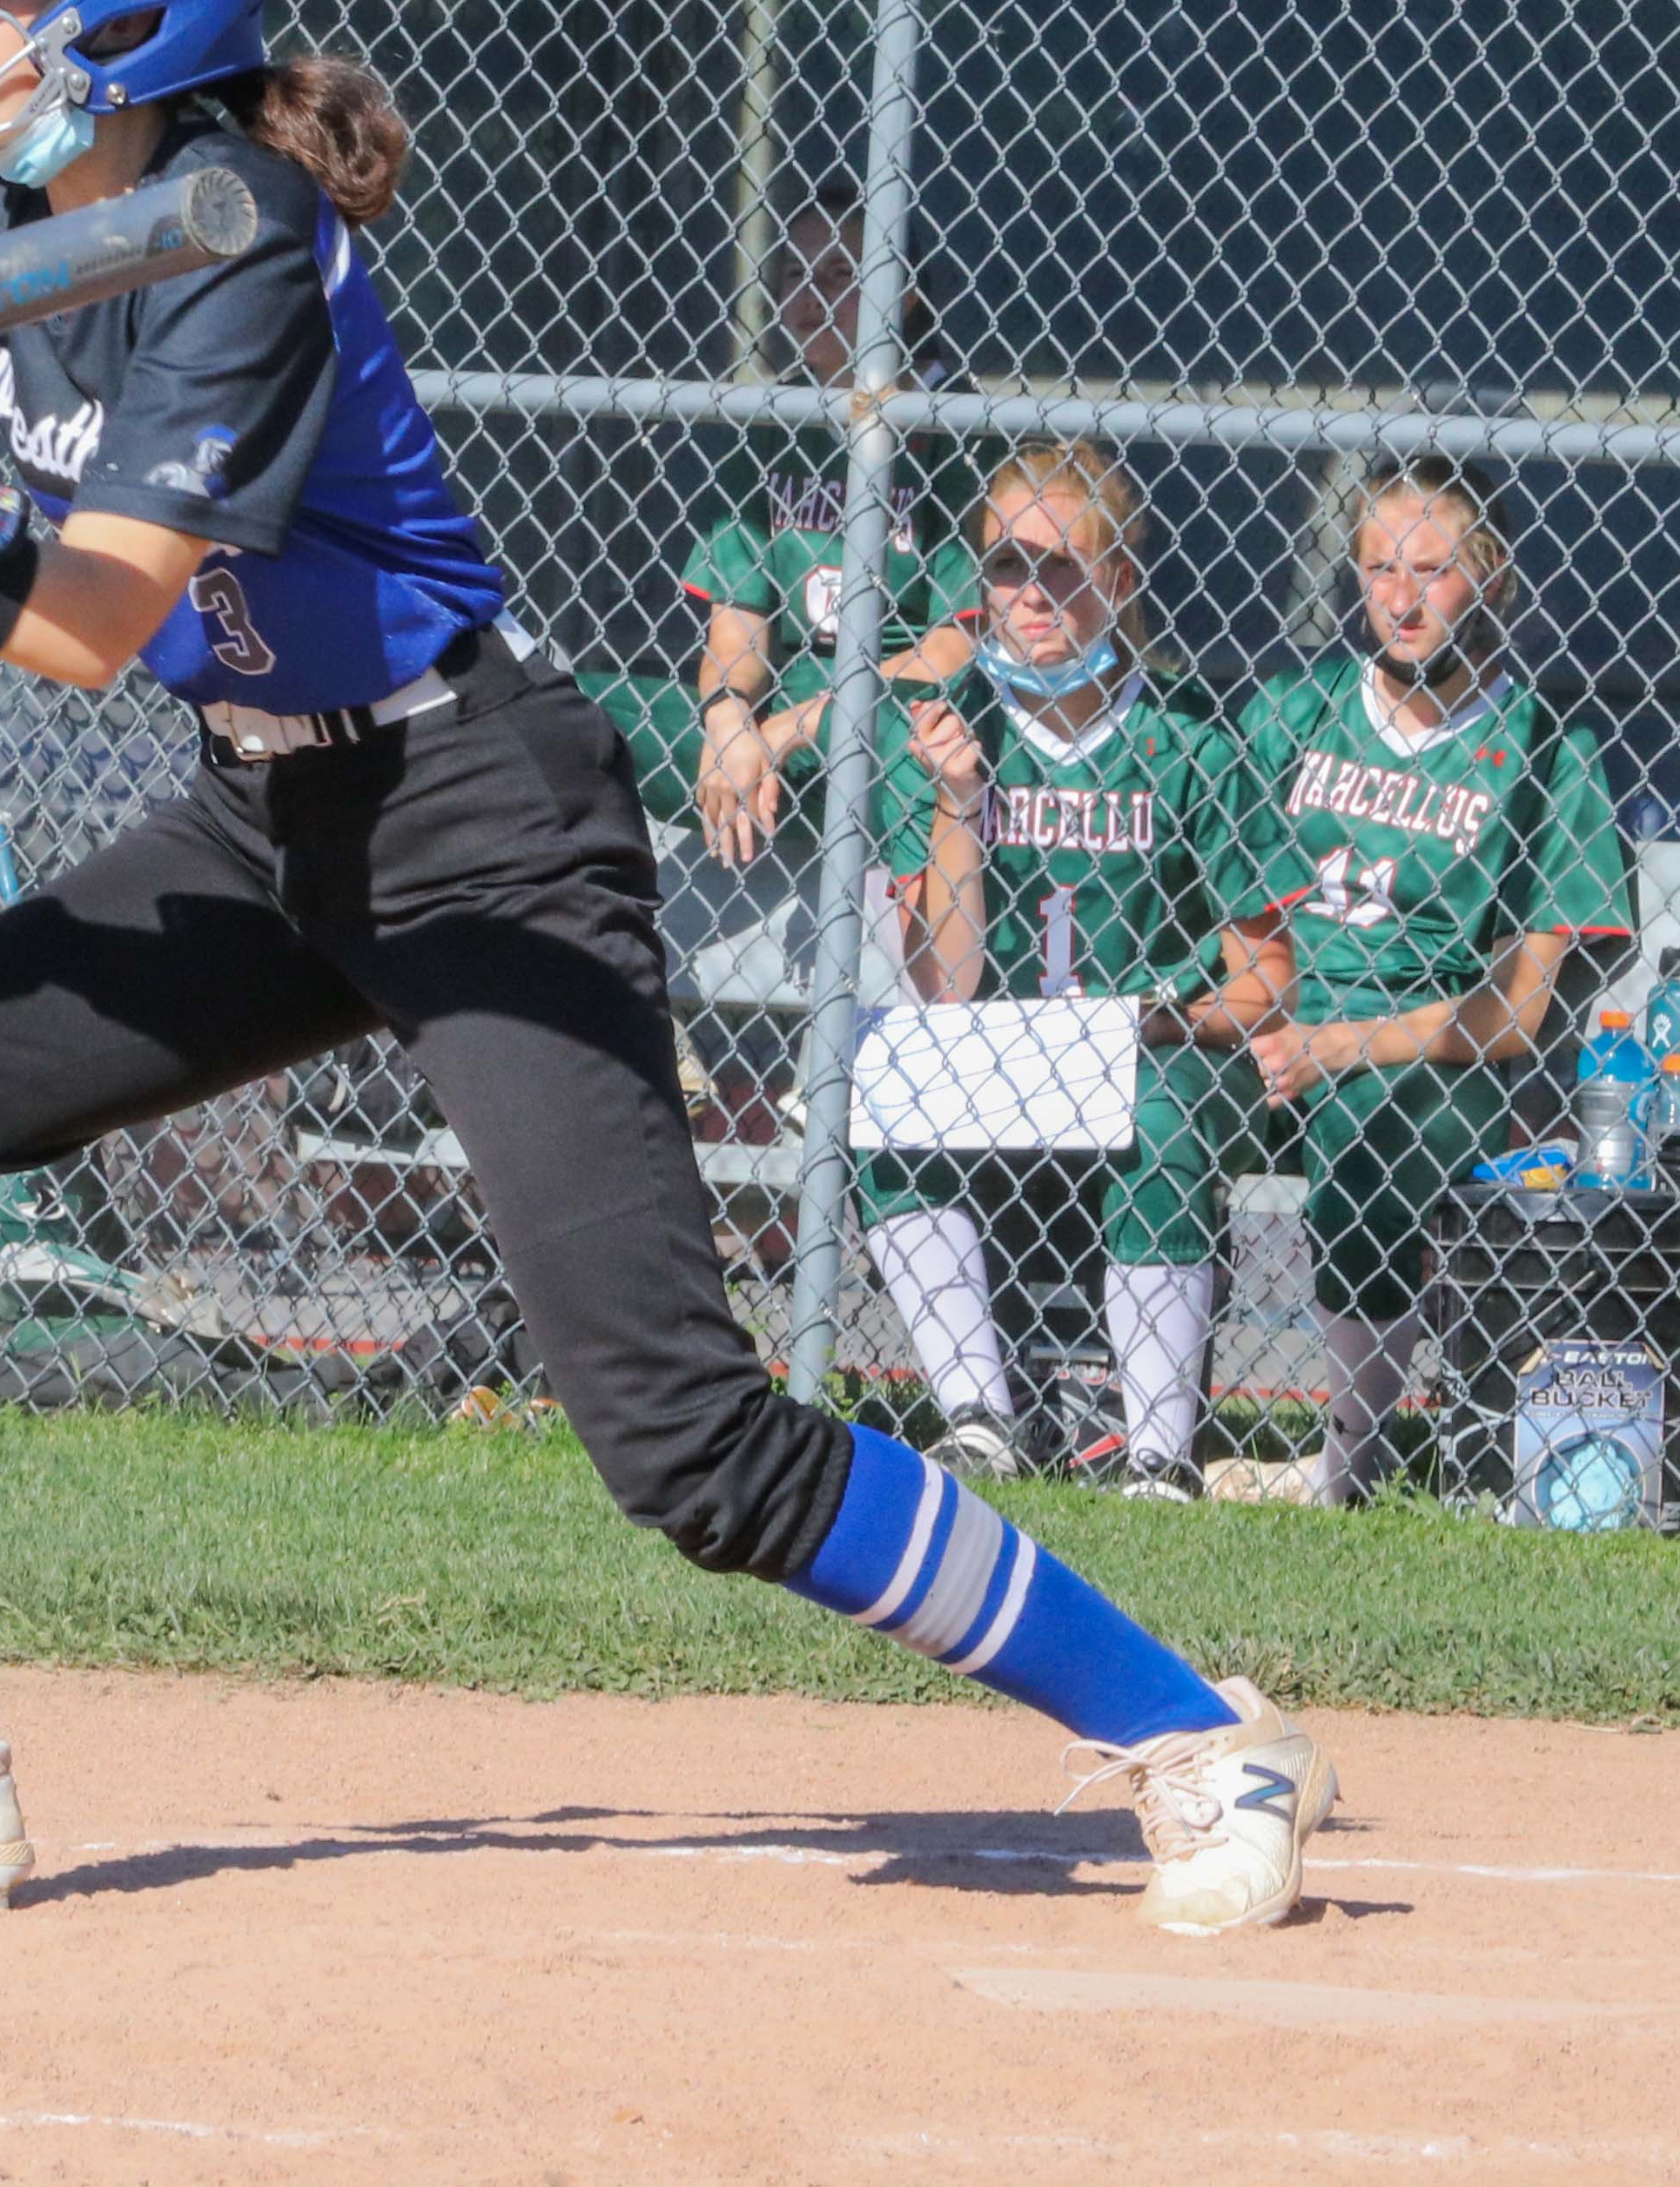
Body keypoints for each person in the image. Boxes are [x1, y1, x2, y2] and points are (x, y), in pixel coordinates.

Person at [0, 0, 1334, 1935]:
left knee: (684, 1442)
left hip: (478, 817)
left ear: (126, 8)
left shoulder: (233, 232)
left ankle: (1201, 1731)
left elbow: (87, 620)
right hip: (267, 814)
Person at [863, 441, 1292, 1499]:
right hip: (1000, 1054)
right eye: (1007, 564)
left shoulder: (1190, 734)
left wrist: (1154, 1021)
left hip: (1153, 1054)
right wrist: (960, 800)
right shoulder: (945, 726)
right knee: (880, 1091)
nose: (1032, 591)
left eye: (1062, 564)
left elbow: (1267, 978)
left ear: (1119, 577)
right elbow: (945, 985)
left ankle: (1157, 1455)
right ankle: (978, 1420)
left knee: (1162, 1113)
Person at [1239, 457, 1633, 1502]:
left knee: (1389, 1124)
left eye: (1433, 570)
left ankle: (1347, 1464)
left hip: (1421, 1046)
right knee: (1160, 1099)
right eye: (1380, 568)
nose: (1402, 600)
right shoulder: (1292, 714)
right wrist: (1260, 1016)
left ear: (1492, 578)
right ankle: (1142, 1440)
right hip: (1268, 1013)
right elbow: (1221, 902)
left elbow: (1514, 1013)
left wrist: (1341, 1046)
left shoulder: (1544, 749)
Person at [687, 179, 980, 871]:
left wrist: (799, 723)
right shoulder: (773, 420)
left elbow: (954, 647)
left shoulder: (959, 425)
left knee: (907, 747)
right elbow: (738, 624)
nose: (812, 296)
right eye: (796, 273)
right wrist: (729, 719)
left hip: (901, 713)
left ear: (904, 296)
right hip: (778, 703)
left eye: (841, 274)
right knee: (592, 713)